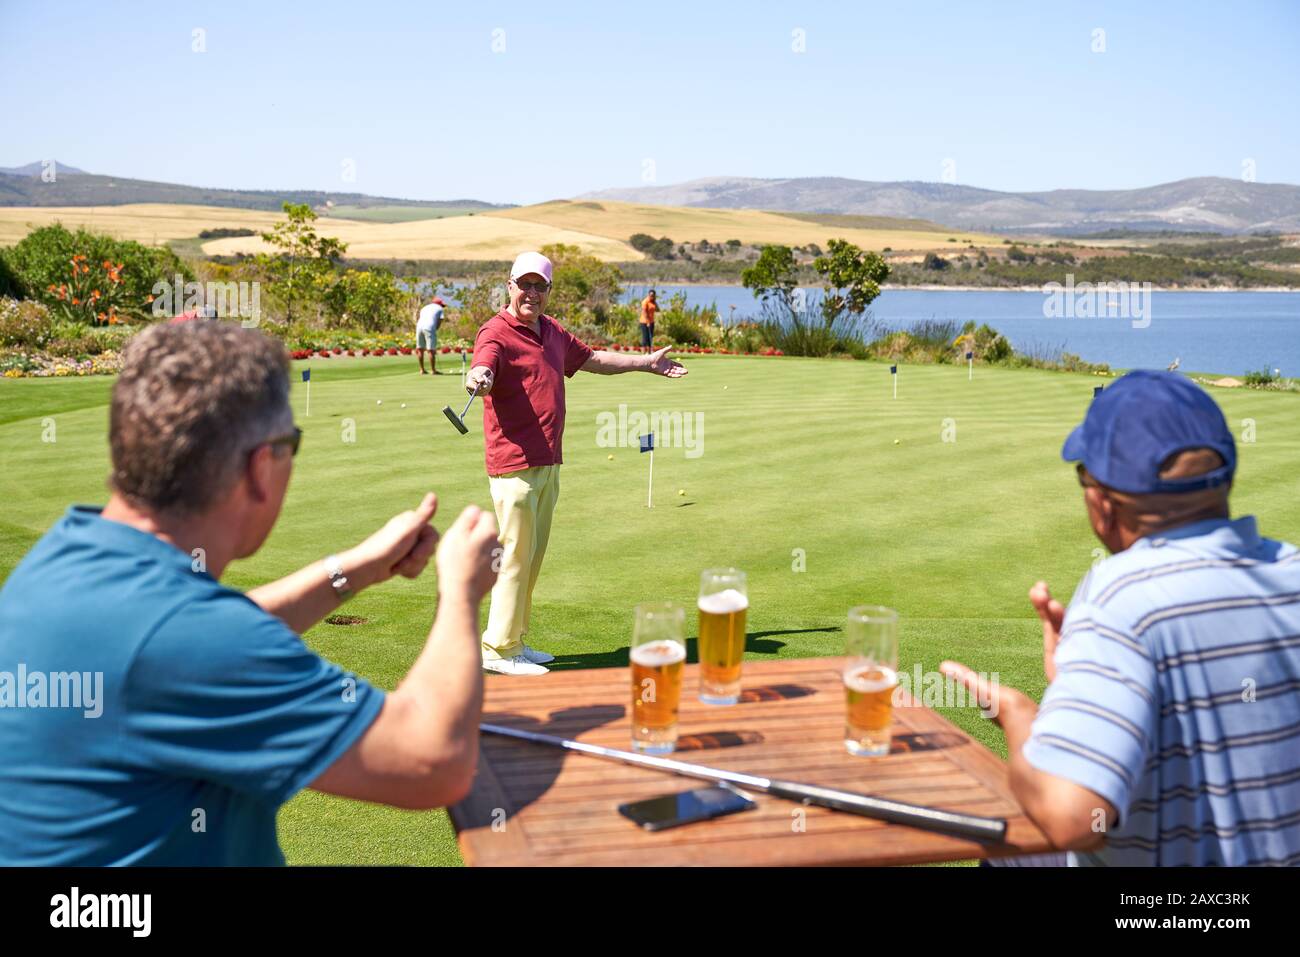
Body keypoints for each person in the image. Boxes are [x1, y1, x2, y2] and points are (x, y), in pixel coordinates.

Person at [0, 321, 500, 865]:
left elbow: (193, 635)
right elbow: (432, 762)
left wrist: (351, 571)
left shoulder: (67, 553)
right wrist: (460, 590)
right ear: (262, 467)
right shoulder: (189, 643)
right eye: (290, 445)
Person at [941, 370, 1300, 866]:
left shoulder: (1119, 597)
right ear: (1227, 479)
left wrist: (1021, 720)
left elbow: (1071, 817)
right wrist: (1081, 677)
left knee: (1013, 845)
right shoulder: (1291, 570)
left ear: (1102, 501)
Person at [465, 252, 687, 675]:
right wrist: (478, 376)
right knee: (514, 556)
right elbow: (483, 363)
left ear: (549, 291)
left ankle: (515, 639)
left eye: (540, 286)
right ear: (509, 285)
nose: (531, 292)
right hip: (514, 464)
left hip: (548, 461)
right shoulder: (495, 331)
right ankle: (497, 649)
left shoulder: (550, 331)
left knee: (530, 557)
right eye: (524, 284)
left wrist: (645, 363)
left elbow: (595, 360)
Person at [416, 295, 446, 374]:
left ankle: (422, 370)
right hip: (429, 326)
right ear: (439, 304)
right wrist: (435, 328)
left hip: (419, 326)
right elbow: (440, 321)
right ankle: (433, 370)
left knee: (420, 349)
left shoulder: (424, 307)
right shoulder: (440, 308)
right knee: (431, 350)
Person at [639, 289, 659, 354]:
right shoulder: (645, 302)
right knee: (645, 337)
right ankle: (644, 353)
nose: (652, 296)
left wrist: (655, 302)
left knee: (651, 337)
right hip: (644, 322)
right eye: (651, 295)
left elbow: (658, 310)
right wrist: (647, 322)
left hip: (651, 322)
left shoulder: (653, 302)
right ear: (648, 295)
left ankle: (649, 353)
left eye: (653, 295)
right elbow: (644, 313)